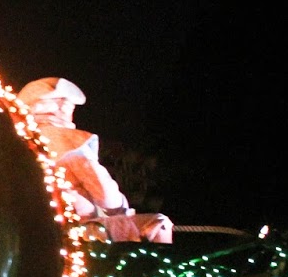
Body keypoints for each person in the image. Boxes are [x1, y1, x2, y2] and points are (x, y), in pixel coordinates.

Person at [18, 77, 173, 243]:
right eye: (64, 103)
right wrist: (122, 210)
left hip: (36, 231)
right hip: (78, 229)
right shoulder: (66, 140)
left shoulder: (18, 143)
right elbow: (106, 195)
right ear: (49, 106)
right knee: (157, 223)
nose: (69, 110)